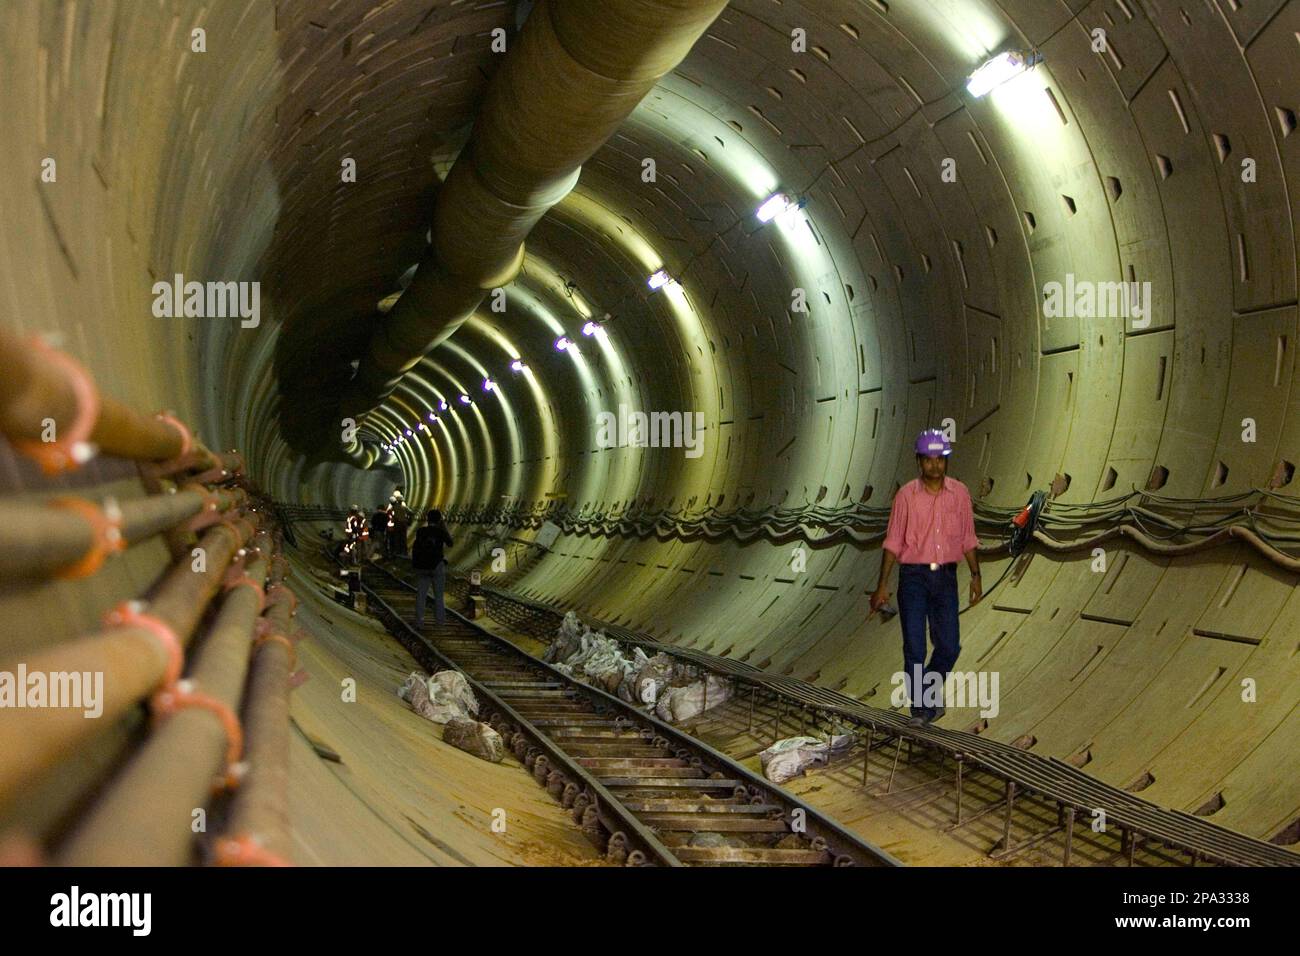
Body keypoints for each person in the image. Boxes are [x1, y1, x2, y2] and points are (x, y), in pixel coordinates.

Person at [871, 429, 981, 726]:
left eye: (940, 459)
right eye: (929, 459)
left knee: (949, 645)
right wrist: (882, 585)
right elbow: (893, 541)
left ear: (946, 461)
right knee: (915, 647)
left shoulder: (959, 493)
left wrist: (975, 575)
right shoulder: (906, 496)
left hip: (946, 577)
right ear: (919, 461)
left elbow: (968, 538)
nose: (935, 465)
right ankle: (920, 709)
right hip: (914, 578)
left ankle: (929, 694)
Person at [412, 509, 454, 627]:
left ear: (427, 519)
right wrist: (443, 526)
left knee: (421, 595)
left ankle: (419, 621)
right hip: (437, 566)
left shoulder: (421, 531)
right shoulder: (441, 532)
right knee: (439, 596)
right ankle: (440, 621)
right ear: (439, 520)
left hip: (423, 566)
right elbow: (450, 543)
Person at [387, 491, 413, 558]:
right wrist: (409, 520)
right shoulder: (404, 507)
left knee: (397, 538)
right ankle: (404, 553)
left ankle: (397, 553)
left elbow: (389, 514)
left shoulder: (393, 507)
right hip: (404, 524)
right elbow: (411, 513)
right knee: (403, 538)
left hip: (397, 524)